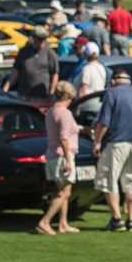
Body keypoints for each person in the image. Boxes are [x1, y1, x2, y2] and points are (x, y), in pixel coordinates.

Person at [93, 64, 132, 232]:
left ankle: (117, 219)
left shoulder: (112, 94)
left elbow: (103, 123)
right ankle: (131, 220)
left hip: (116, 143)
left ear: (113, 81)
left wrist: (97, 142)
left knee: (110, 180)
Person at [39, 81, 82, 235]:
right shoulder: (64, 113)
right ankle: (45, 221)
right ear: (69, 96)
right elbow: (64, 137)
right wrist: (68, 160)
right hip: (62, 155)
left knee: (65, 191)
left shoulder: (51, 111)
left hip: (52, 154)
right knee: (63, 192)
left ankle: (63, 223)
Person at [8, 28, 60, 102]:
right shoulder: (24, 51)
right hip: (24, 95)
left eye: (44, 38)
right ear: (33, 37)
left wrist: (51, 94)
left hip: (42, 96)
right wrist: (5, 89)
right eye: (39, 38)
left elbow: (55, 74)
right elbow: (15, 72)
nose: (42, 41)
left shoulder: (50, 53)